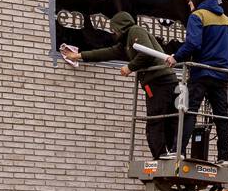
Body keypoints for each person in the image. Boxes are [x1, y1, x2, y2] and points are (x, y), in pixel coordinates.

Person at [63, 12, 177, 159]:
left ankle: (161, 155)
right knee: (167, 118)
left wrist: (130, 67)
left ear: (121, 26)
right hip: (164, 80)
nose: (113, 32)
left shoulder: (135, 31)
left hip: (159, 81)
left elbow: (147, 53)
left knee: (156, 119)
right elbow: (106, 53)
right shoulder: (125, 43)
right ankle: (170, 152)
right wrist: (79, 56)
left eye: (114, 29)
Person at [167, 0, 228, 164]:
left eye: (190, 0)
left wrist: (175, 57)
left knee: (189, 111)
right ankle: (223, 157)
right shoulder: (227, 21)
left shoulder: (198, 16)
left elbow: (193, 43)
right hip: (220, 75)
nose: (189, 4)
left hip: (201, 72)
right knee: (221, 117)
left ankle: (177, 151)